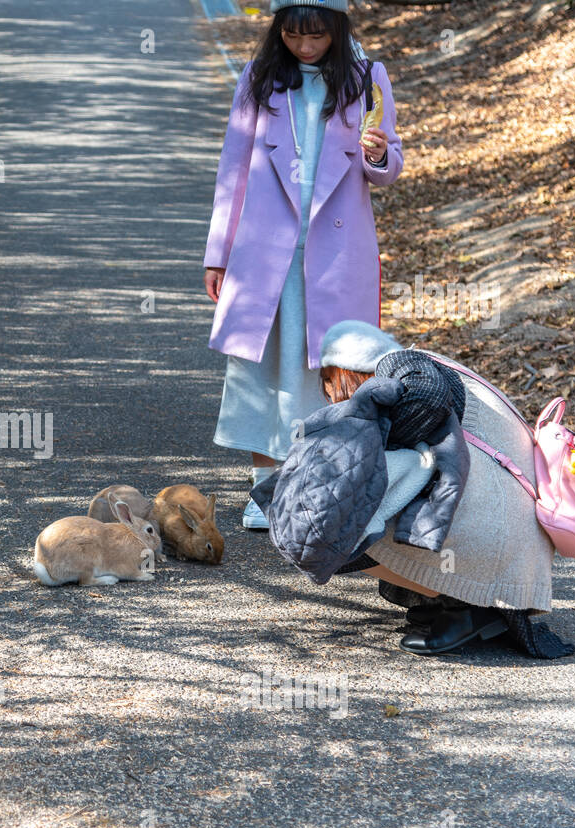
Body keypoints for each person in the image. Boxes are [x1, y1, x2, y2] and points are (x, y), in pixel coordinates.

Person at [263, 321, 575, 659]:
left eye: (328, 380)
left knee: (338, 521)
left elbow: (428, 404)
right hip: (514, 541)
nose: (327, 393)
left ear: (346, 371)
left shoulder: (402, 369)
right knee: (367, 499)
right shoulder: (424, 363)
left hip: (501, 543)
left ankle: (469, 607)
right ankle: (442, 597)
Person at [202, 0, 402, 529]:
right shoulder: (260, 77)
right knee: (264, 366)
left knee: (331, 370)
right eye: (293, 35)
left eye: (316, 35)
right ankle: (264, 491)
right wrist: (218, 254)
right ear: (279, 31)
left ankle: (323, 490)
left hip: (337, 251)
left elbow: (388, 168)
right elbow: (234, 166)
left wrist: (377, 153)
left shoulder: (366, 79)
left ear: (336, 28)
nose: (306, 46)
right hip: (264, 250)